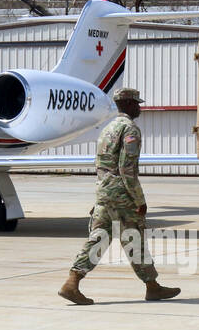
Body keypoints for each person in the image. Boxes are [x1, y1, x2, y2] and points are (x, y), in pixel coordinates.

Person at [59, 88, 181, 305]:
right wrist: (139, 200)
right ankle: (152, 287)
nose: (139, 107)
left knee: (99, 237)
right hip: (122, 195)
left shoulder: (108, 129)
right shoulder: (129, 129)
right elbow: (127, 168)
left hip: (104, 193)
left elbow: (101, 164)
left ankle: (72, 282)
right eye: (136, 103)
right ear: (127, 104)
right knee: (134, 239)